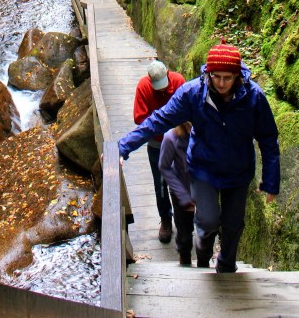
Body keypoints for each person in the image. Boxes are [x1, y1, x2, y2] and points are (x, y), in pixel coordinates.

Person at [119, 41, 279, 272]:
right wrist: (123, 147)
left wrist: (271, 181)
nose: (222, 83)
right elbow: (158, 120)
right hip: (204, 168)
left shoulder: (253, 98)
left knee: (233, 225)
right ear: (208, 73)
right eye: (216, 77)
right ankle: (203, 252)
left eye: (227, 77)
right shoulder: (193, 93)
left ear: (238, 75)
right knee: (208, 221)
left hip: (239, 170)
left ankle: (225, 266)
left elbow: (268, 138)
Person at [133, 60, 186, 243]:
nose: (161, 90)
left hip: (179, 141)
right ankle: (165, 219)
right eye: (157, 87)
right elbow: (139, 118)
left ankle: (184, 221)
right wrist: (160, 127)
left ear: (168, 73)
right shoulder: (144, 87)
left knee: (183, 179)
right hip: (156, 144)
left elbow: (187, 108)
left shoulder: (179, 82)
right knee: (161, 184)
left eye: (163, 85)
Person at [159, 122, 195, 266]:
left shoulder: (206, 130)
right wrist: (183, 196)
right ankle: (185, 261)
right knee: (184, 231)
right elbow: (163, 166)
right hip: (180, 189)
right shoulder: (170, 138)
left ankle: (204, 261)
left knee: (207, 227)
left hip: (203, 187)